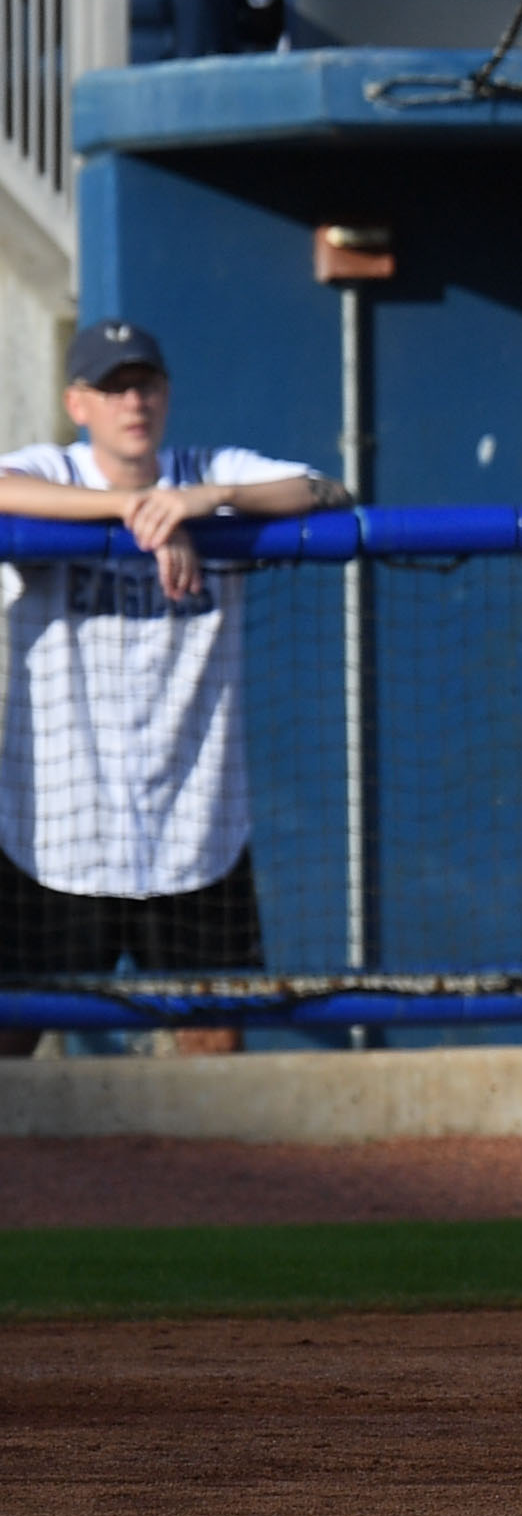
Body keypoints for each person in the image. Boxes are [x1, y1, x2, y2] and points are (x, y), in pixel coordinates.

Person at [0, 322, 344, 1060]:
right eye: (112, 387)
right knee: (12, 1036)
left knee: (213, 1044)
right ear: (77, 402)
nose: (133, 401)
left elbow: (329, 487)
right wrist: (129, 514)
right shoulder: (51, 470)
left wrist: (200, 502)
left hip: (193, 829)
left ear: (166, 393)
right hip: (57, 831)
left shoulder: (208, 470)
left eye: (145, 383)